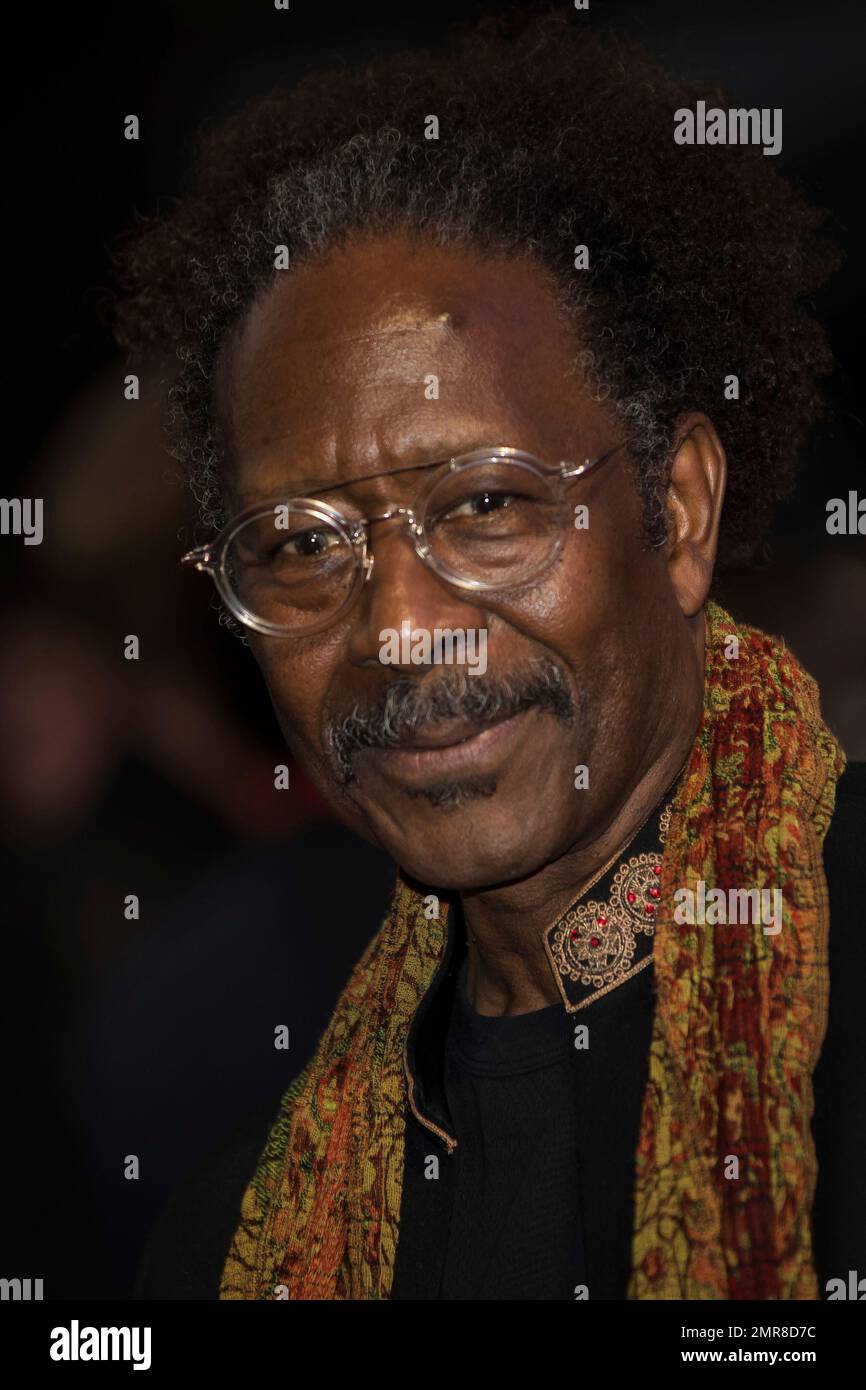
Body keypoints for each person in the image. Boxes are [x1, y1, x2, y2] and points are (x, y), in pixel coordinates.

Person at [116, 8, 865, 1300]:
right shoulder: (244, 1229)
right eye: (300, 542)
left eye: (484, 506)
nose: (399, 627)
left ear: (676, 513)